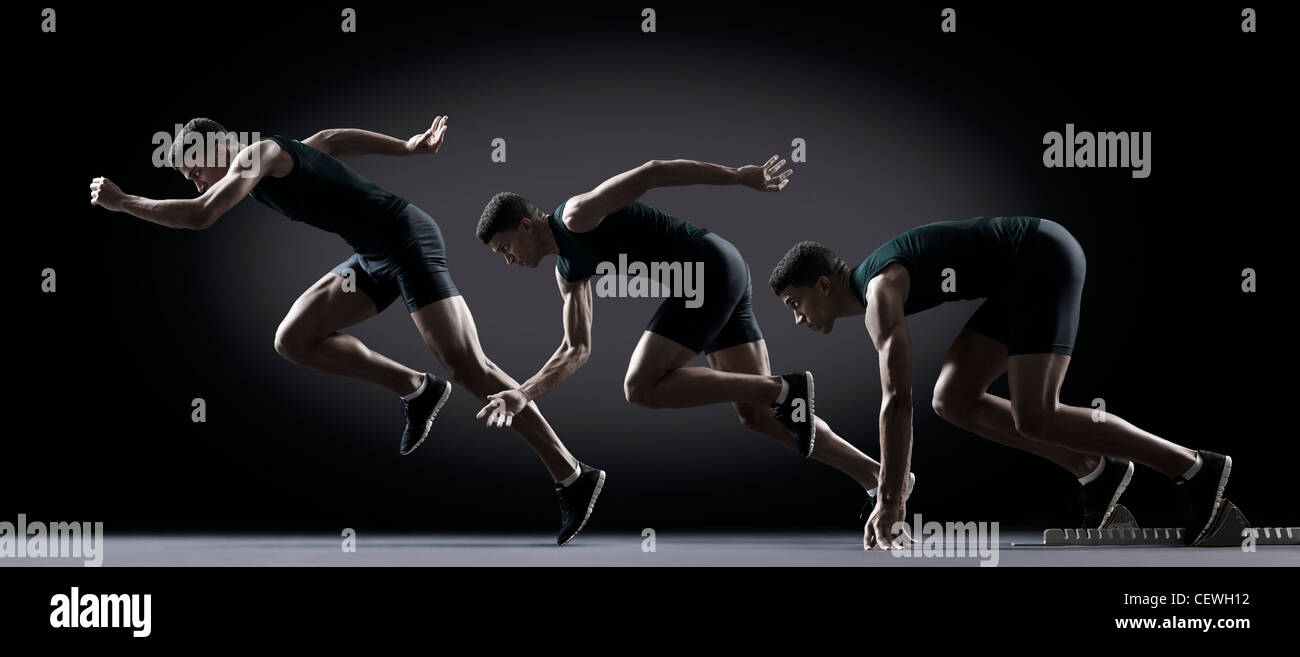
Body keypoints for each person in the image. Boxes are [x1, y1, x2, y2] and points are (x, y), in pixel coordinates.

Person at [89, 116, 603, 545]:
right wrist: (406, 145)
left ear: (214, 146)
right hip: (374, 255)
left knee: (468, 366)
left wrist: (124, 202)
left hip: (406, 238)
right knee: (293, 338)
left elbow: (202, 216)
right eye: (188, 179)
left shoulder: (256, 156)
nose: (197, 183)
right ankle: (417, 389)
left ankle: (573, 475)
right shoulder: (269, 161)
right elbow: (332, 140)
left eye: (192, 170)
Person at [474, 156, 913, 520]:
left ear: (527, 225)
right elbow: (576, 350)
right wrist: (521, 394)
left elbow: (652, 172)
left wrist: (739, 177)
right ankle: (880, 477)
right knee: (760, 416)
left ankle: (781, 388)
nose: (508, 260)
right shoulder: (569, 274)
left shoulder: (576, 216)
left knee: (640, 386)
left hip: (707, 268)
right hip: (720, 274)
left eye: (505, 247)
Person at [768, 217, 1231, 548]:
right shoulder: (875, 286)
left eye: (795, 302)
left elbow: (896, 400)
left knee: (1037, 414)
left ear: (824, 286)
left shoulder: (881, 291)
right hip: (1016, 278)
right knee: (954, 399)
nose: (797, 318)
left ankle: (1193, 467)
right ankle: (1096, 470)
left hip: (1042, 257)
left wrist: (890, 500)